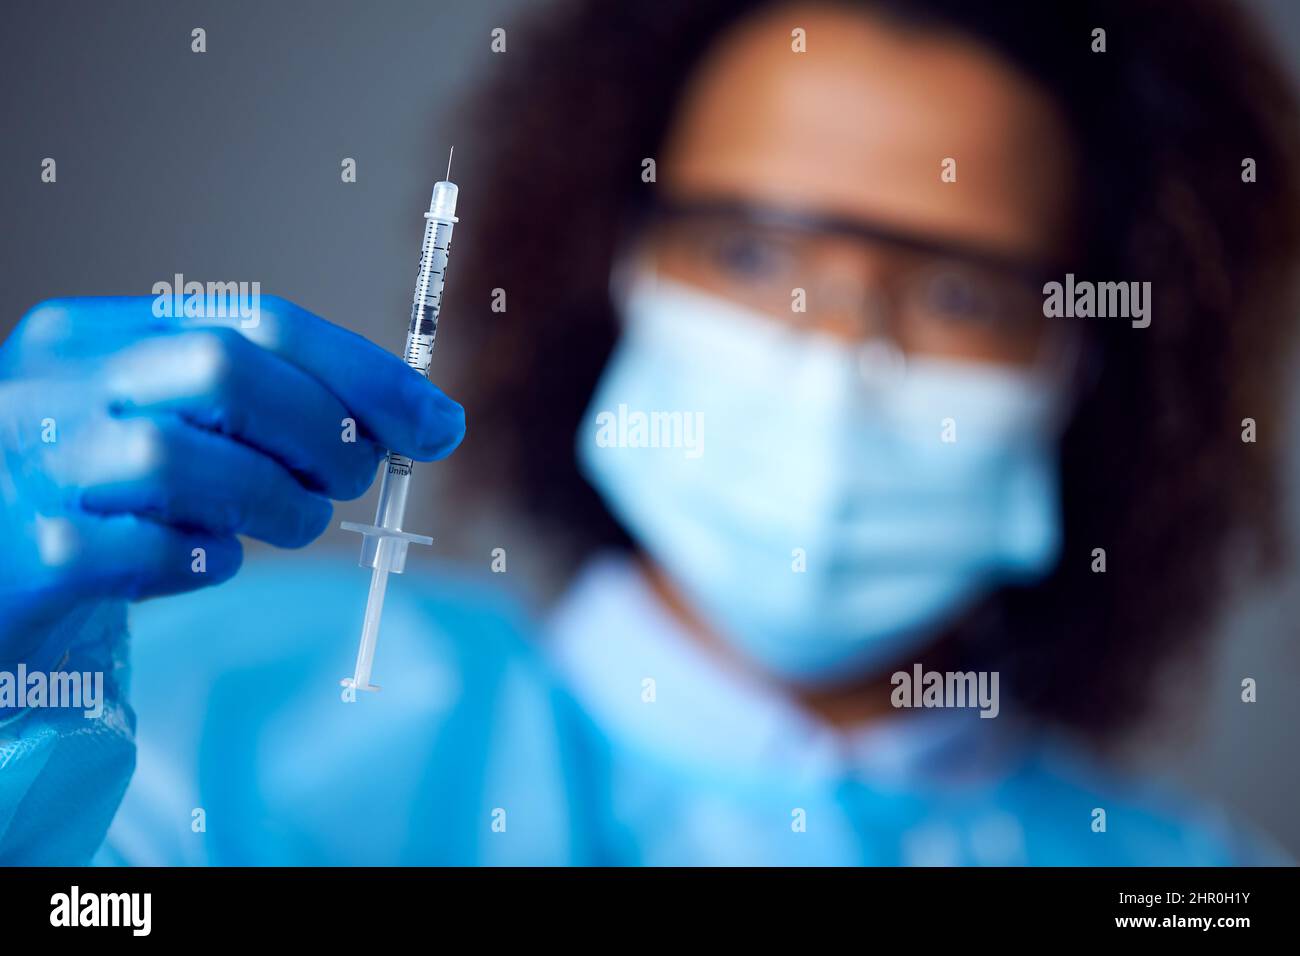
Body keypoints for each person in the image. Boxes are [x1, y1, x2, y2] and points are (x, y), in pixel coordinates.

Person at [1, 0, 1296, 865]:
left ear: (1099, 367)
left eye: (956, 292)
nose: (832, 354)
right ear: (605, 267)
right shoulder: (208, 711)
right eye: (748, 249)